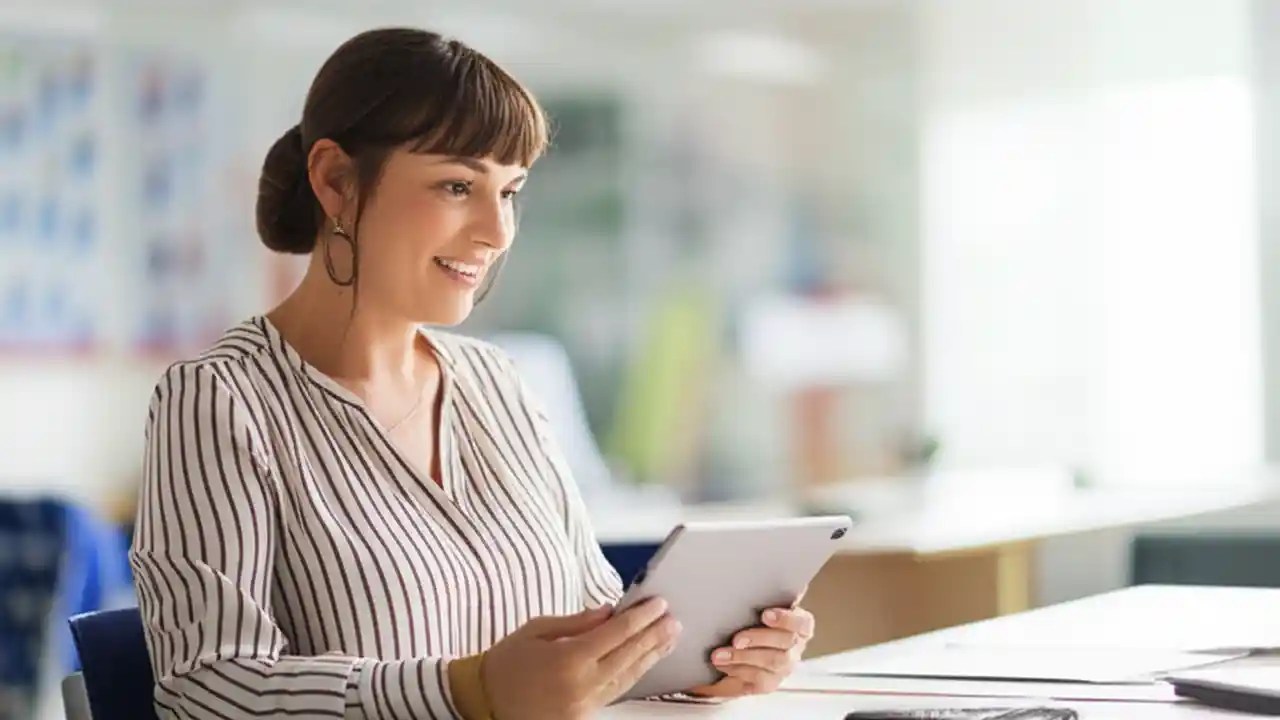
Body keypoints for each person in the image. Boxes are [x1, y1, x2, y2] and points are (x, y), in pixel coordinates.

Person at [129, 27, 815, 720]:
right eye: (458, 185)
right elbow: (206, 689)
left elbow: (590, 622)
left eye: (509, 191)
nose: (496, 230)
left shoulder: (502, 385)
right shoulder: (221, 400)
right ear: (336, 181)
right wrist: (470, 691)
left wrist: (698, 663)